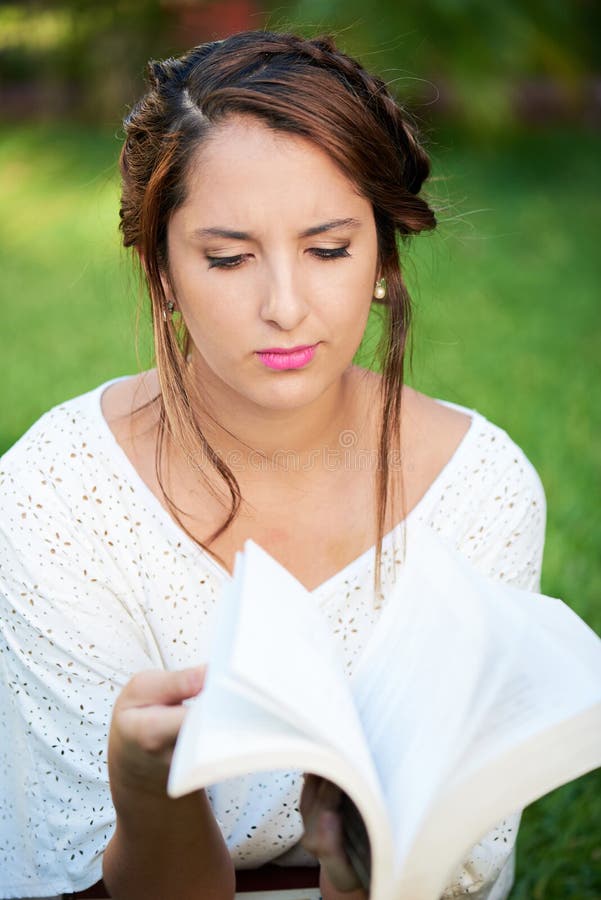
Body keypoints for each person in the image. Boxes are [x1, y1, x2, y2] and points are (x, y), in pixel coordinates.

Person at [0, 30, 546, 900]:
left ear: (379, 255)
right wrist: (150, 793)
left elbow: (457, 873)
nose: (285, 307)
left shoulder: (477, 490)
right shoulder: (60, 492)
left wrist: (353, 861)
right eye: (227, 258)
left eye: (328, 249)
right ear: (163, 270)